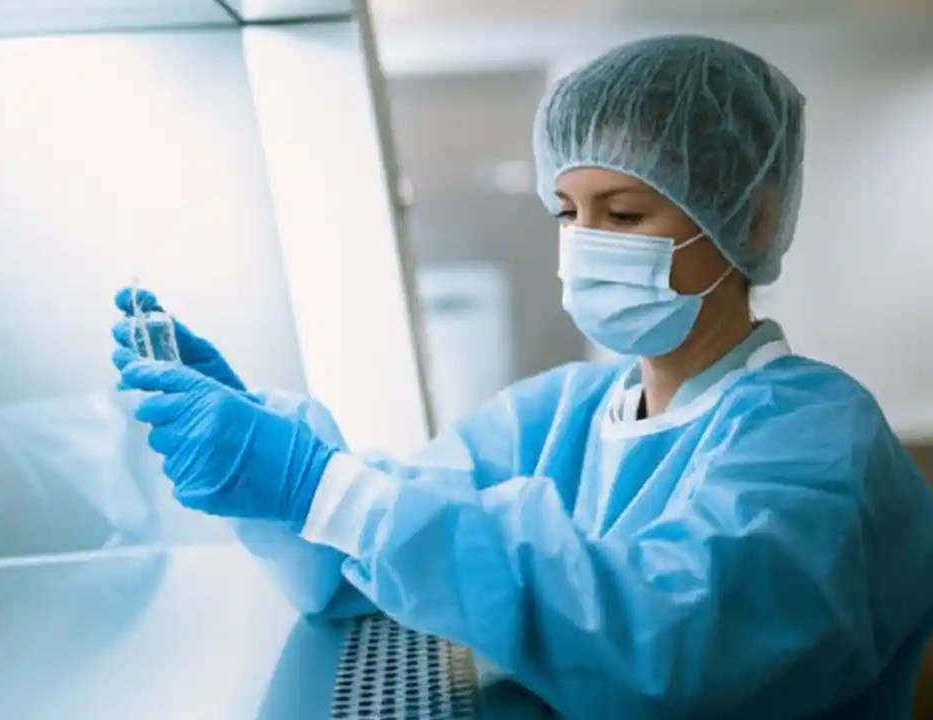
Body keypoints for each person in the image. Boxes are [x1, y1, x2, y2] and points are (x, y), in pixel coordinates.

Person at [110, 35, 933, 718]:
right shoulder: (565, 415)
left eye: (623, 213)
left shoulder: (823, 443)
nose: (583, 242)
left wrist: (321, 487)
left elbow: (675, 648)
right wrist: (273, 465)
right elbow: (370, 551)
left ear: (748, 219)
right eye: (567, 212)